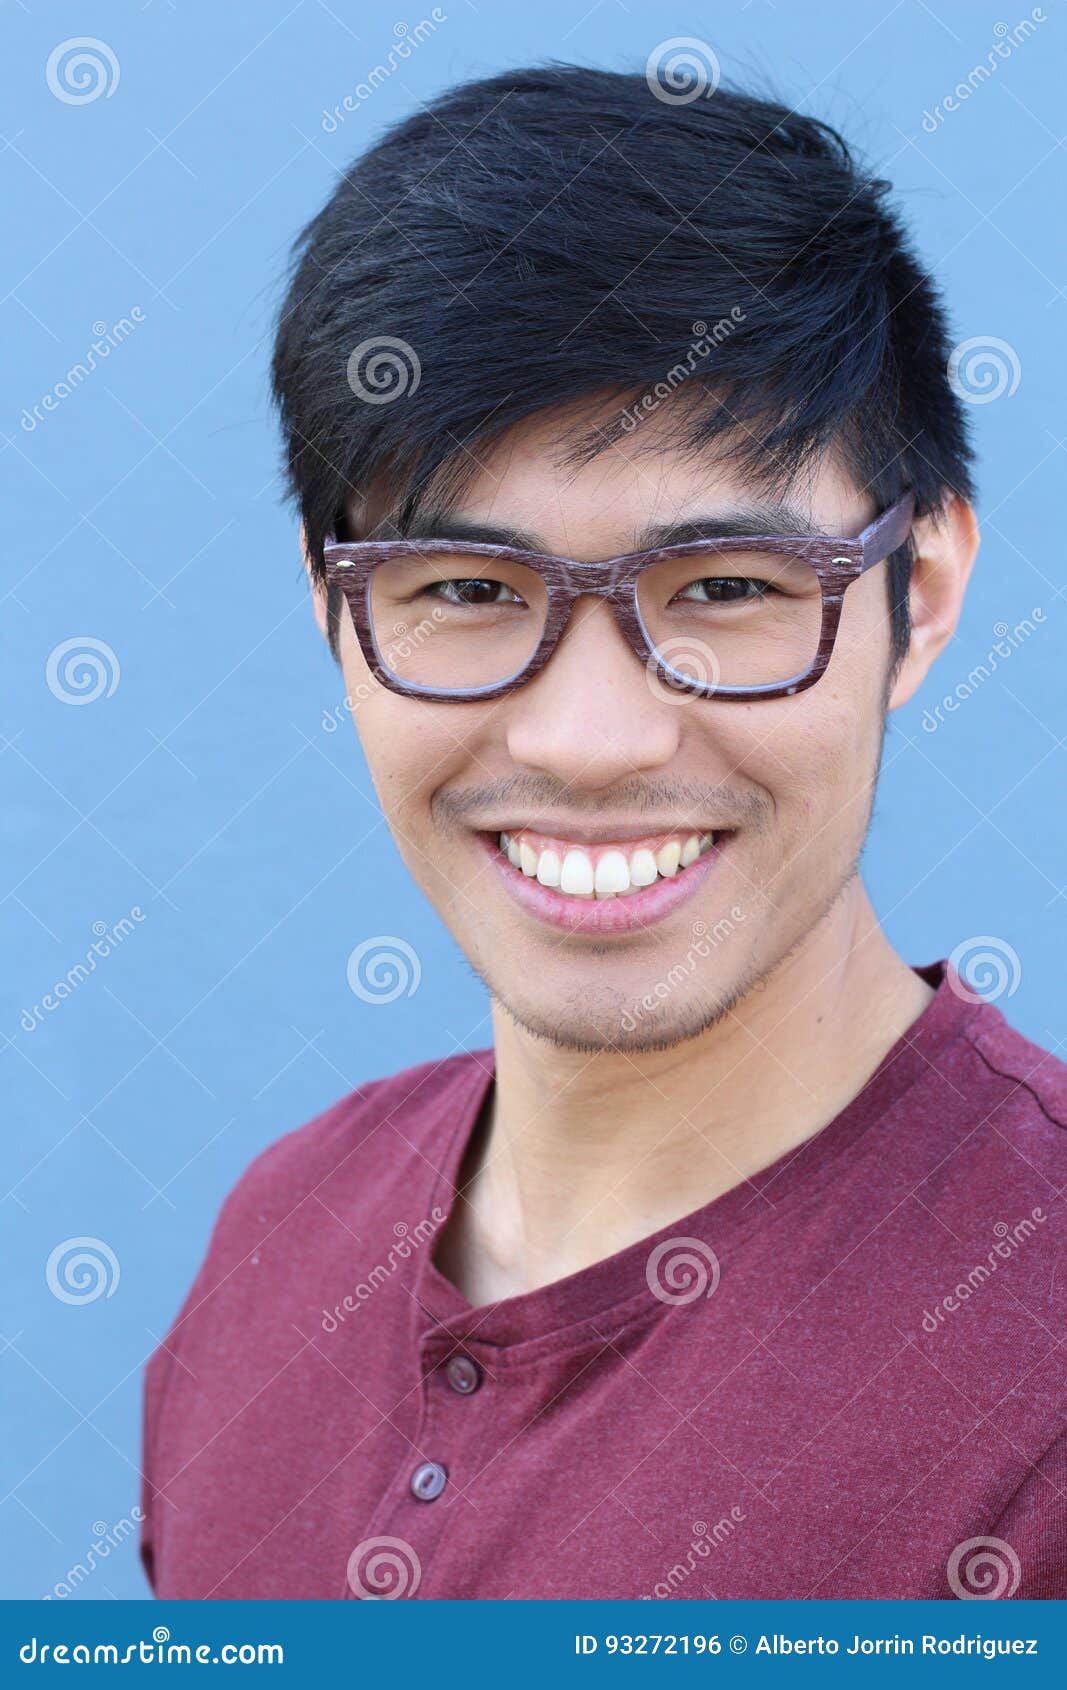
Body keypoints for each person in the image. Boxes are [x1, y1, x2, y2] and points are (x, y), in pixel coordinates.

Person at [140, 64, 1065, 1601]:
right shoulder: (280, 1234)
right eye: (465, 589)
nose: (589, 743)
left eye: (722, 588)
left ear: (928, 591)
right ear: (333, 608)